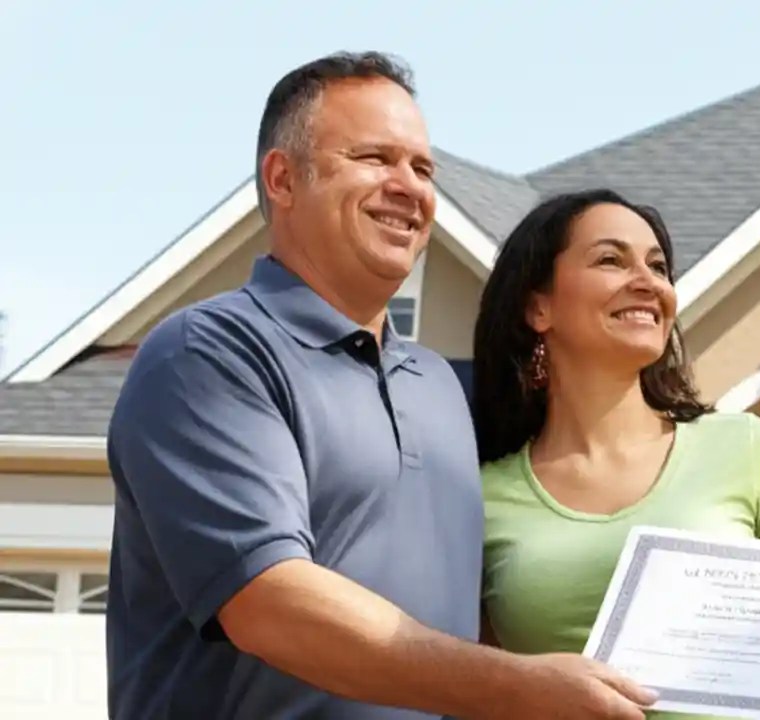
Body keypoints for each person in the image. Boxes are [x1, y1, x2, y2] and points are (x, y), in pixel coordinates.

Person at [106, 52, 658, 720]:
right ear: (282, 179)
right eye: (375, 158)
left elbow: (598, 486)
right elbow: (271, 605)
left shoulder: (440, 387)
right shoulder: (210, 355)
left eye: (422, 168)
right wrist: (515, 686)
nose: (410, 187)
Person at [470, 188, 760, 719]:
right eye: (610, 260)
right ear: (537, 306)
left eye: (659, 266)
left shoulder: (752, 448)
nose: (647, 282)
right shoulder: (481, 495)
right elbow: (480, 684)